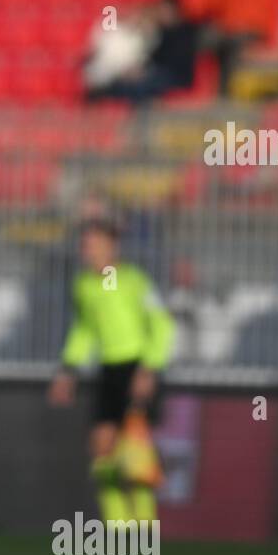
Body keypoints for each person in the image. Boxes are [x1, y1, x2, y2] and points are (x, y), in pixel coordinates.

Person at [47, 219, 175, 525]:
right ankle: (118, 525)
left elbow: (162, 324)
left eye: (93, 243)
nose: (87, 249)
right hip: (108, 370)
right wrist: (68, 368)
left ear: (111, 246)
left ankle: (144, 523)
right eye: (84, 243)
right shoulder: (83, 284)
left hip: (136, 367)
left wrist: (150, 368)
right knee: (101, 447)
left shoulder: (134, 281)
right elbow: (84, 329)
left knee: (135, 452)